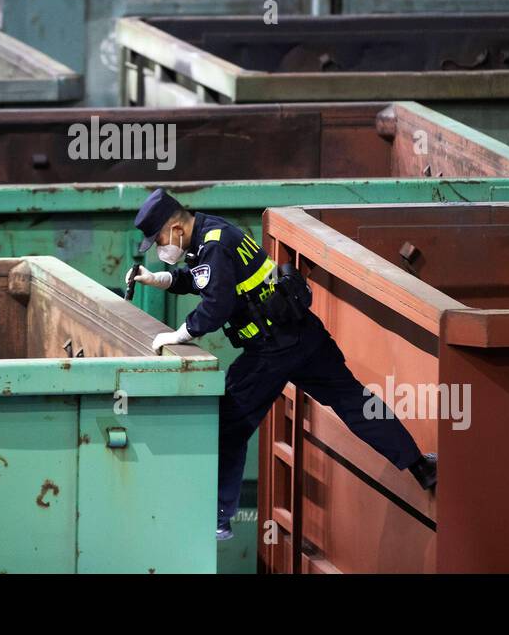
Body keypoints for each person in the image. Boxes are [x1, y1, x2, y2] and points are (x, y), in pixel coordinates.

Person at [127, 187, 437, 541]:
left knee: (229, 425)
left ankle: (218, 517)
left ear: (175, 228)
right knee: (353, 400)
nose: (161, 248)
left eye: (160, 239)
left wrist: (180, 334)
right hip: (303, 334)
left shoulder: (212, 246)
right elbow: (209, 282)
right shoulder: (214, 232)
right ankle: (419, 465)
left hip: (269, 350)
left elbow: (216, 306)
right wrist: (161, 279)